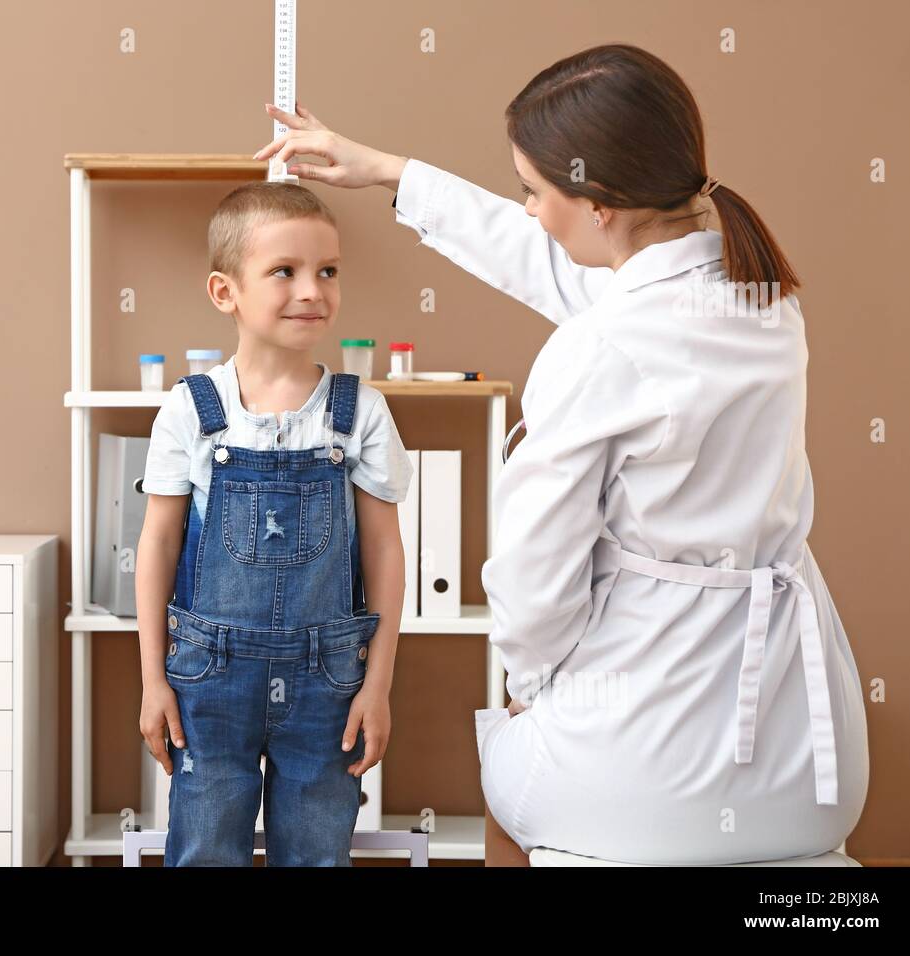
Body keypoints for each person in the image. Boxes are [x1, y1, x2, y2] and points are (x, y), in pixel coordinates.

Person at [251, 43, 869, 865]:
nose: (532, 214)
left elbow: (535, 581)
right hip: (810, 783)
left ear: (601, 204)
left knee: (509, 768)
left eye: (535, 192)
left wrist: (532, 694)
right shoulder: (763, 302)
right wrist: (391, 172)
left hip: (642, 784)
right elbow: (562, 266)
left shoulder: (602, 345)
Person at [135, 180, 414, 866]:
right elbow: (158, 544)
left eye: (327, 271)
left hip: (329, 682)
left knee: (319, 852)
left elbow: (384, 550)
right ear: (224, 292)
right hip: (208, 676)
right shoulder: (189, 410)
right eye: (283, 272)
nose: (312, 289)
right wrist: (152, 680)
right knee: (203, 849)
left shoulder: (360, 412)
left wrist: (377, 685)